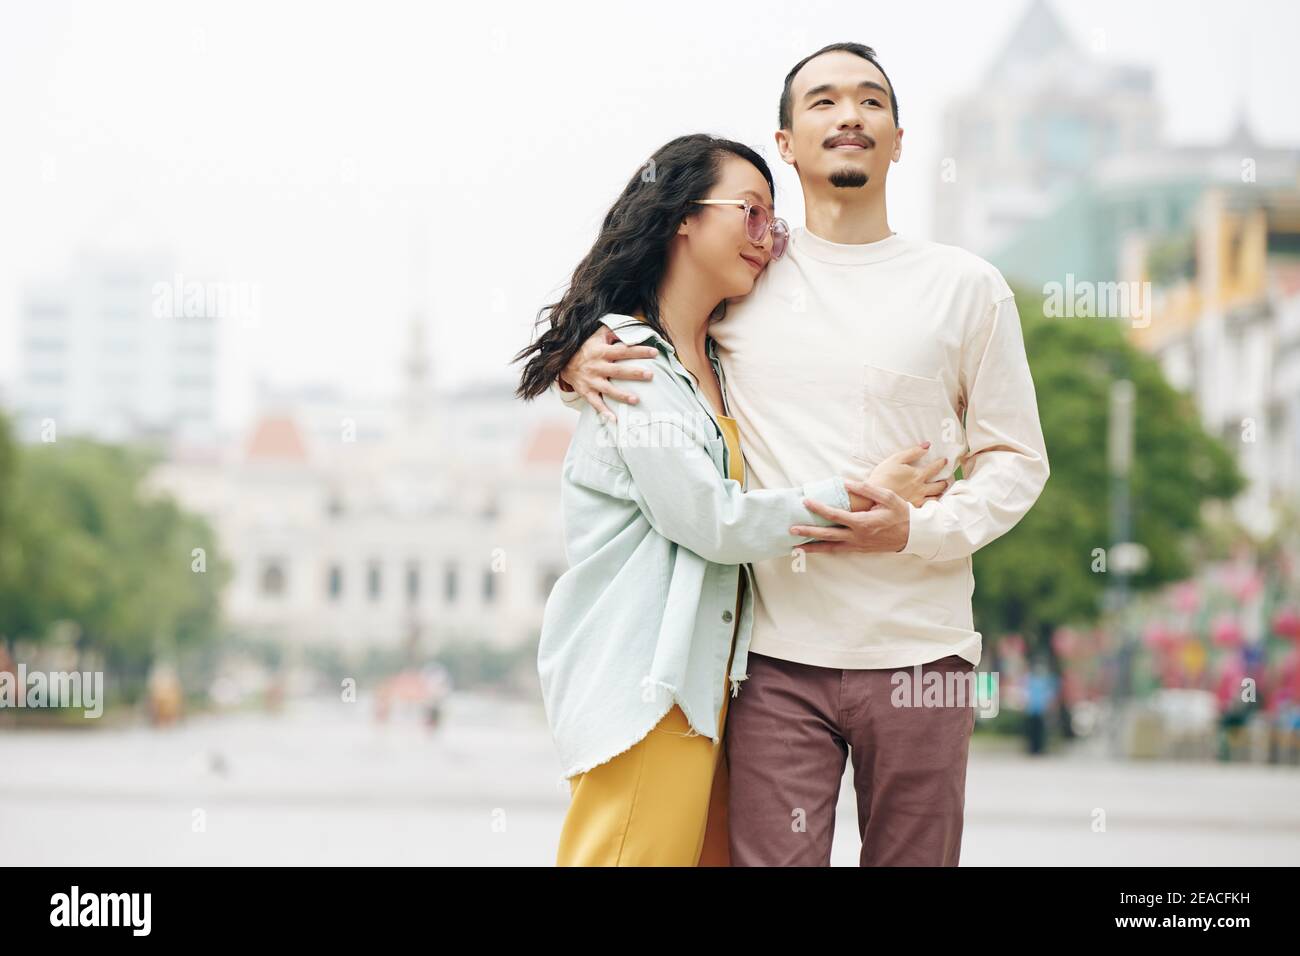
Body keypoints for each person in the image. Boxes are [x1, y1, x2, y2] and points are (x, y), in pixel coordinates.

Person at [559, 43, 1051, 866]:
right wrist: (581, 360)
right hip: (771, 663)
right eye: (822, 102)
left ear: (899, 137)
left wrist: (916, 531)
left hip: (920, 653)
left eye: (870, 101)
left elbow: (1017, 461)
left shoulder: (966, 287)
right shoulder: (745, 284)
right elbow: (657, 342)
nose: (849, 115)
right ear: (785, 142)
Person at [514, 132, 948, 866]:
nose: (766, 239)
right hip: (647, 690)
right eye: (750, 213)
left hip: (712, 690)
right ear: (683, 215)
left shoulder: (717, 354)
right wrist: (867, 499)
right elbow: (709, 519)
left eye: (773, 224)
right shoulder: (630, 360)